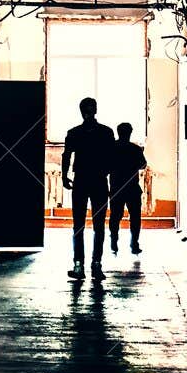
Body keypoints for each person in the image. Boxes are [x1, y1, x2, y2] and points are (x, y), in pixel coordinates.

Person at [61, 98, 115, 279]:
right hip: (95, 180)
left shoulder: (75, 133)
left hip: (85, 180)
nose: (89, 112)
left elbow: (67, 155)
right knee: (93, 225)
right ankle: (93, 265)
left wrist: (64, 175)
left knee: (82, 225)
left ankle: (82, 265)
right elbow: (110, 157)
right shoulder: (105, 132)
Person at [109, 122, 146, 255]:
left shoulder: (112, 148)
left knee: (115, 217)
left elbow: (106, 166)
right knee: (135, 217)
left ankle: (114, 242)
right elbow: (143, 165)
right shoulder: (135, 149)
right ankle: (134, 243)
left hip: (116, 187)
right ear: (130, 133)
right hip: (132, 188)